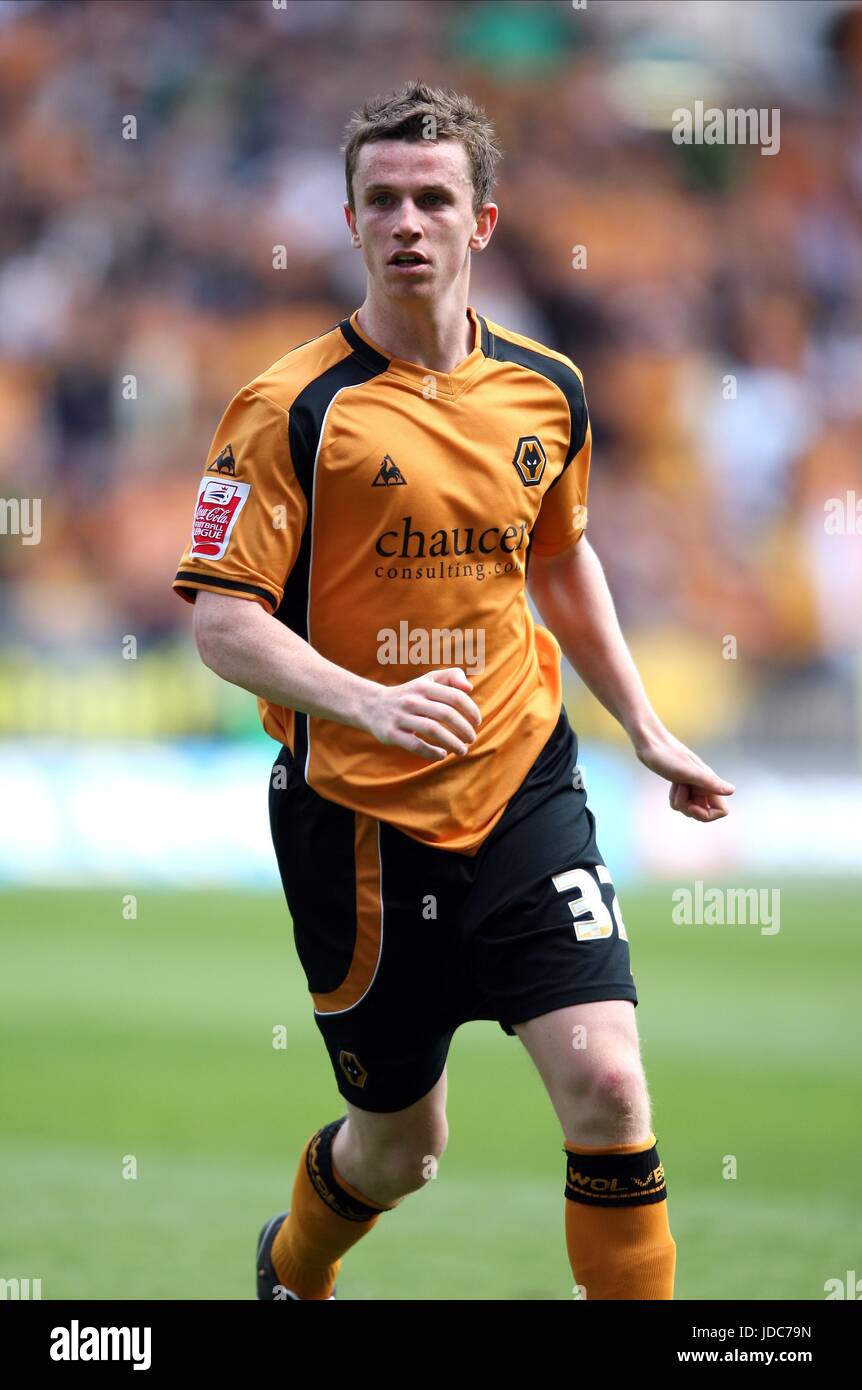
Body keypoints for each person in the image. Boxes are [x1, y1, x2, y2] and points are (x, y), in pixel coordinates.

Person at [172, 80, 734, 1301]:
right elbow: (223, 623)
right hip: (359, 822)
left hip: (522, 780)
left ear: (483, 221)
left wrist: (643, 726)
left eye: (434, 198)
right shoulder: (287, 407)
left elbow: (559, 554)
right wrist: (362, 700)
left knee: (610, 1085)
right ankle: (290, 1268)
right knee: (401, 1151)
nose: (408, 221)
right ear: (349, 218)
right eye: (383, 199)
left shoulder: (548, 389)